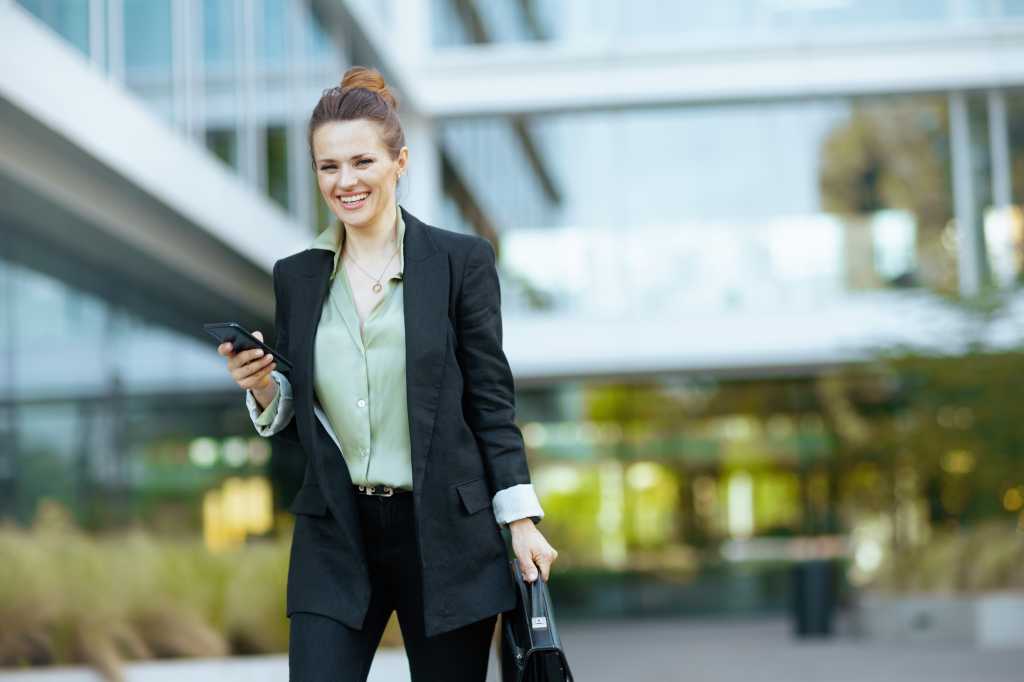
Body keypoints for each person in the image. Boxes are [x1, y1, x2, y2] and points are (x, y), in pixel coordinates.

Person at [217, 66, 558, 681]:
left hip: (447, 534)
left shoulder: (460, 263)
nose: (345, 181)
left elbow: (490, 401)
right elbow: (305, 416)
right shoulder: (296, 276)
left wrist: (522, 522)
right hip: (336, 529)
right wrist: (264, 385)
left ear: (399, 162)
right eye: (328, 167)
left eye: (362, 162)